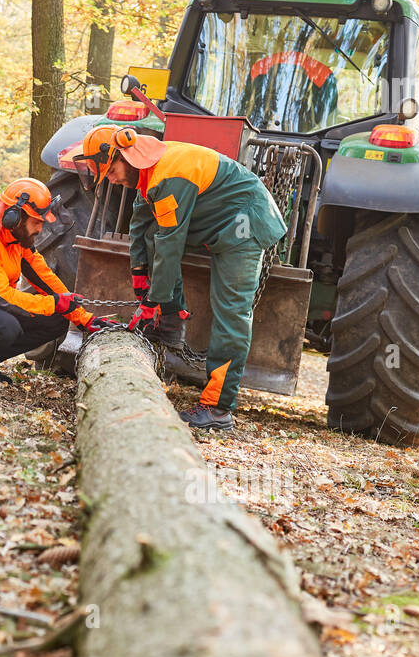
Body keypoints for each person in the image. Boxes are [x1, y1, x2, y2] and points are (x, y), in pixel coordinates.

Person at [74, 125, 287, 429]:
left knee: (231, 312)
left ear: (126, 154)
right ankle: (171, 322)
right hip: (218, 223)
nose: (112, 179)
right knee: (150, 234)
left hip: (247, 222)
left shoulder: (168, 176)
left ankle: (218, 409)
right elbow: (140, 225)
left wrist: (151, 302)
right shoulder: (148, 175)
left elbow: (169, 245)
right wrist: (139, 276)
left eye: (111, 171)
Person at [0, 177, 115, 382]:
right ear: (14, 217)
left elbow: (46, 279)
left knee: (56, 320)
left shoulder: (18, 241)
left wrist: (83, 317)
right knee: (6, 326)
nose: (39, 229)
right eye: (36, 222)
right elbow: (2, 297)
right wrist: (55, 303)